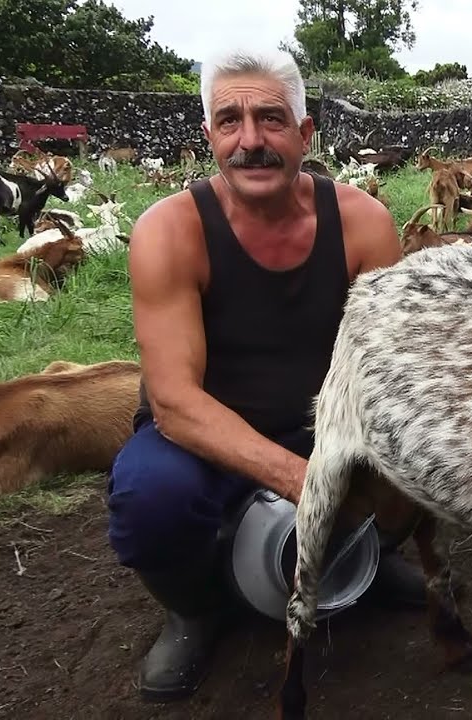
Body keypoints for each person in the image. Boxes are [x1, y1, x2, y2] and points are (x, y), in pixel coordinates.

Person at [106, 47, 427, 703]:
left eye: (271, 120)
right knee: (149, 499)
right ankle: (194, 608)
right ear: (208, 137)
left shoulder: (363, 223)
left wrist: (375, 466)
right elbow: (173, 400)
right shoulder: (169, 231)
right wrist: (306, 484)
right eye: (230, 121)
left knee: (420, 448)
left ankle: (371, 553)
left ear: (306, 134)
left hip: (326, 427)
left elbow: (392, 370)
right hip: (203, 439)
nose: (250, 141)